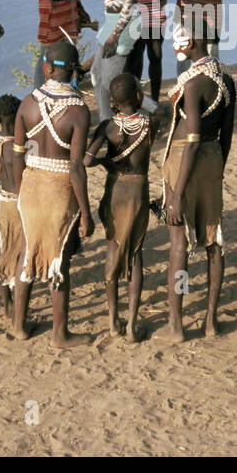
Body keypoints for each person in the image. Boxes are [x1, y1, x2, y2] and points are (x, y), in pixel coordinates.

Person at [11, 40, 96, 347]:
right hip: (61, 190)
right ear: (72, 70)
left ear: (46, 68)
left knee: (26, 253)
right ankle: (60, 333)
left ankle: (19, 325)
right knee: (60, 259)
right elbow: (76, 167)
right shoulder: (78, 111)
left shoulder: (27, 103)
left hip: (31, 186)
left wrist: (22, 190)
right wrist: (86, 213)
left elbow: (17, 154)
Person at [161, 19, 237, 342]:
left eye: (179, 40)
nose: (176, 45)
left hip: (185, 163)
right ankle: (210, 321)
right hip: (212, 160)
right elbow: (227, 134)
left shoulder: (192, 85)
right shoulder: (226, 78)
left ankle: (176, 325)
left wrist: (177, 194)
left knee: (180, 245)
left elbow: (190, 139)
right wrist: (217, 167)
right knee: (213, 240)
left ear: (191, 43)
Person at [84, 73, 157, 342]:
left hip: (115, 189)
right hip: (138, 189)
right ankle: (132, 325)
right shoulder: (151, 124)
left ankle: (113, 321)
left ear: (113, 102)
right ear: (138, 96)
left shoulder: (106, 127)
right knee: (136, 250)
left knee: (113, 245)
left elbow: (85, 161)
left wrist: (106, 161)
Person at [0, 95, 24, 317]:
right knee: (21, 253)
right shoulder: (25, 144)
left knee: (4, 250)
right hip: (22, 205)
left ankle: (6, 302)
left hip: (3, 203)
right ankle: (18, 302)